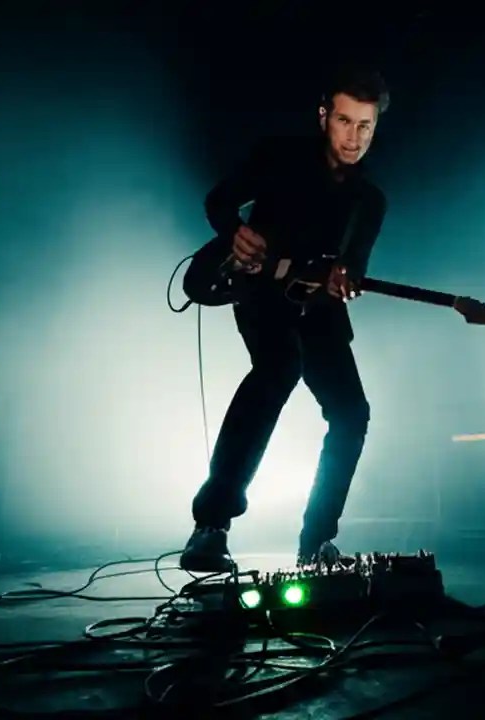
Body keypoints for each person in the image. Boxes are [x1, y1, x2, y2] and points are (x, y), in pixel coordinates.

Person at [179, 67, 390, 573]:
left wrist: (345, 277)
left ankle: (316, 542)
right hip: (262, 295)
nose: (354, 137)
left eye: (365, 125)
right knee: (277, 368)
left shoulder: (369, 202)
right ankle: (211, 526)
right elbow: (219, 200)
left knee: (351, 414)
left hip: (319, 311)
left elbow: (354, 265)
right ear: (324, 117)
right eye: (344, 121)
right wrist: (234, 232)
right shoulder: (279, 157)